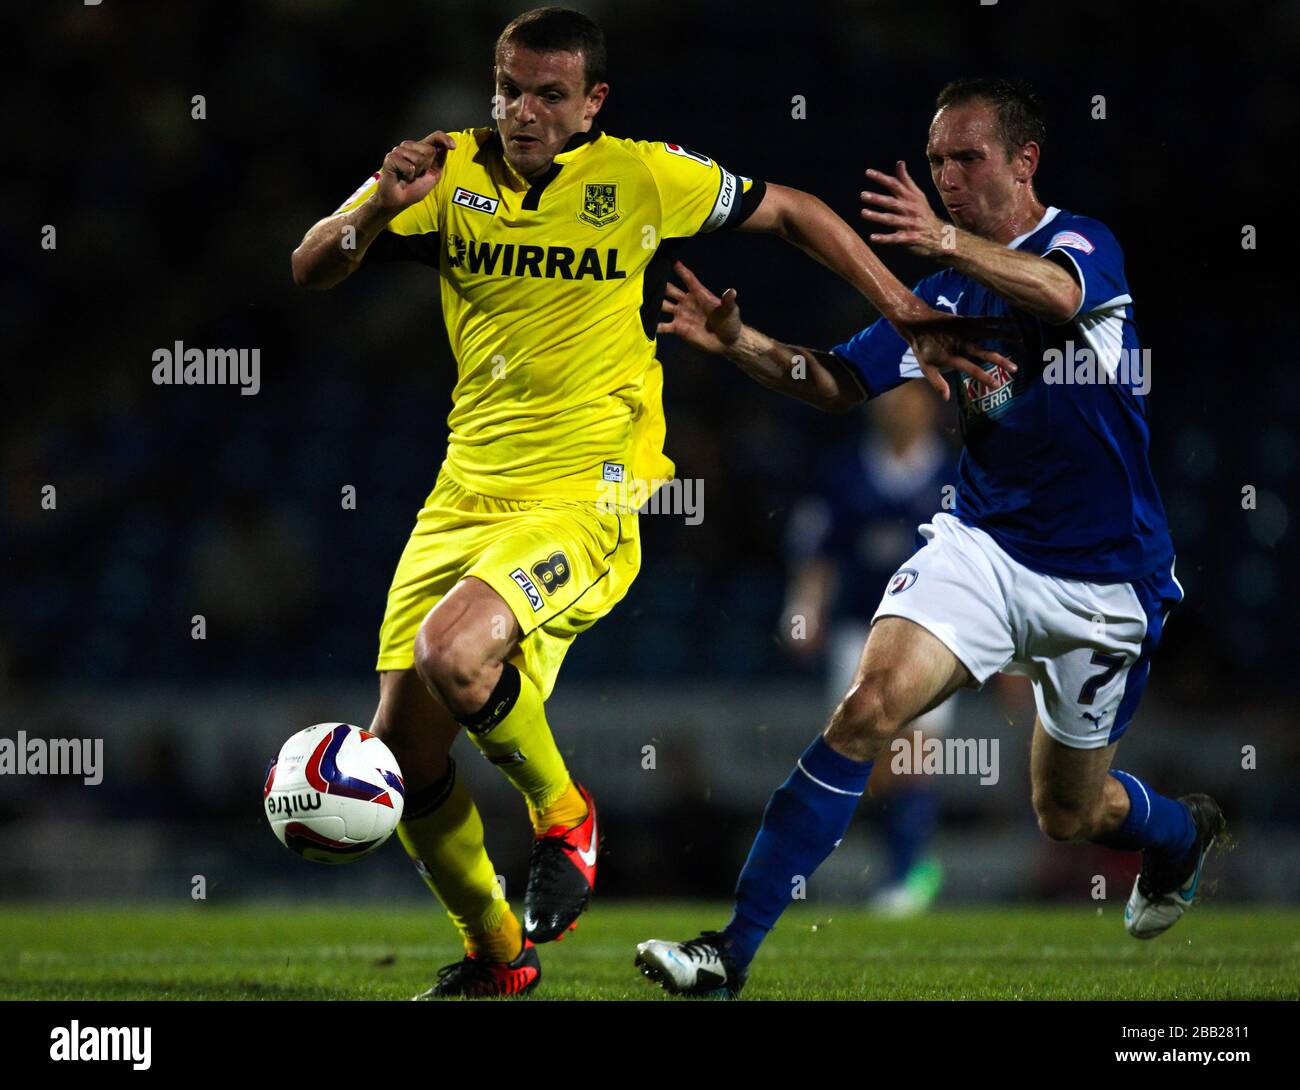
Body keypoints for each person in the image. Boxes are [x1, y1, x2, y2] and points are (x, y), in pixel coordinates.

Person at [291, 8, 999, 997]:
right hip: (462, 491)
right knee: (404, 757)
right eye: (508, 89)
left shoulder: (637, 176)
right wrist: (373, 208)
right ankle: (500, 957)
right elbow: (310, 265)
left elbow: (793, 210)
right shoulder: (443, 168)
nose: (523, 112)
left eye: (548, 94)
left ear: (593, 103)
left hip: (588, 488)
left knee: (454, 652)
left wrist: (904, 309)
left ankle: (564, 816)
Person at [636, 77, 1225, 997]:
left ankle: (1180, 836)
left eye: (968, 157)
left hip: (1106, 586)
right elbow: (838, 381)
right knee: (867, 709)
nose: (946, 176)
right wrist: (744, 343)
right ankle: (728, 952)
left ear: (1026, 161)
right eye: (937, 158)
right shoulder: (941, 293)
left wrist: (948, 239)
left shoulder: (1078, 244)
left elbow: (1062, 300)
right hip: (981, 548)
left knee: (1068, 815)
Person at [782, 382, 958, 914]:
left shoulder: (955, 475)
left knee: (914, 754)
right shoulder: (845, 472)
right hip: (861, 632)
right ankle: (897, 861)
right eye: (889, 396)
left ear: (931, 406)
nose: (897, 407)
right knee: (866, 759)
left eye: (909, 397)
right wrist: (802, 612)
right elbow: (817, 551)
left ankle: (908, 875)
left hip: (936, 630)